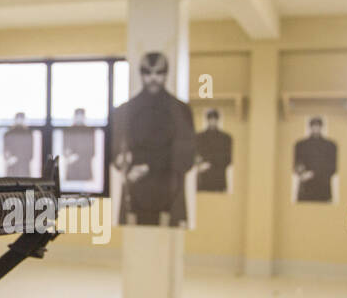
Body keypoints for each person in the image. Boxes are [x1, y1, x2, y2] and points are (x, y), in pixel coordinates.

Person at [110, 52, 196, 226]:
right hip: (135, 197)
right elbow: (115, 152)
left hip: (169, 194)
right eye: (148, 73)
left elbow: (187, 157)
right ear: (141, 74)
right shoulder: (124, 111)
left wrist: (148, 166)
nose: (153, 78)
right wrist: (124, 163)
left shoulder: (181, 111)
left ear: (166, 74)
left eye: (159, 73)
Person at [293, 117, 336, 202]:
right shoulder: (301, 144)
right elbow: (296, 162)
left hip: (323, 186)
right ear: (310, 127)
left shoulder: (330, 145)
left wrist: (314, 174)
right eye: (313, 126)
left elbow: (333, 167)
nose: (315, 128)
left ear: (321, 127)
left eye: (318, 126)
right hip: (306, 187)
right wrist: (302, 173)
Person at [194, 108, 233, 193]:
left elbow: (229, 158)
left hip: (218, 178)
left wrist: (211, 162)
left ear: (217, 120)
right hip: (203, 178)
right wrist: (200, 164)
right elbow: (196, 155)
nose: (212, 121)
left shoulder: (225, 138)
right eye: (210, 119)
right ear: (207, 120)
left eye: (214, 119)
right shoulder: (199, 137)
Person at [63, 107, 96, 181]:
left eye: (81, 116)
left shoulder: (90, 131)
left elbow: (92, 151)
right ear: (74, 117)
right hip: (71, 171)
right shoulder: (68, 130)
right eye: (77, 116)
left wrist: (78, 156)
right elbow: (65, 148)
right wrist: (68, 156)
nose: (79, 118)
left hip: (85, 171)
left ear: (84, 117)